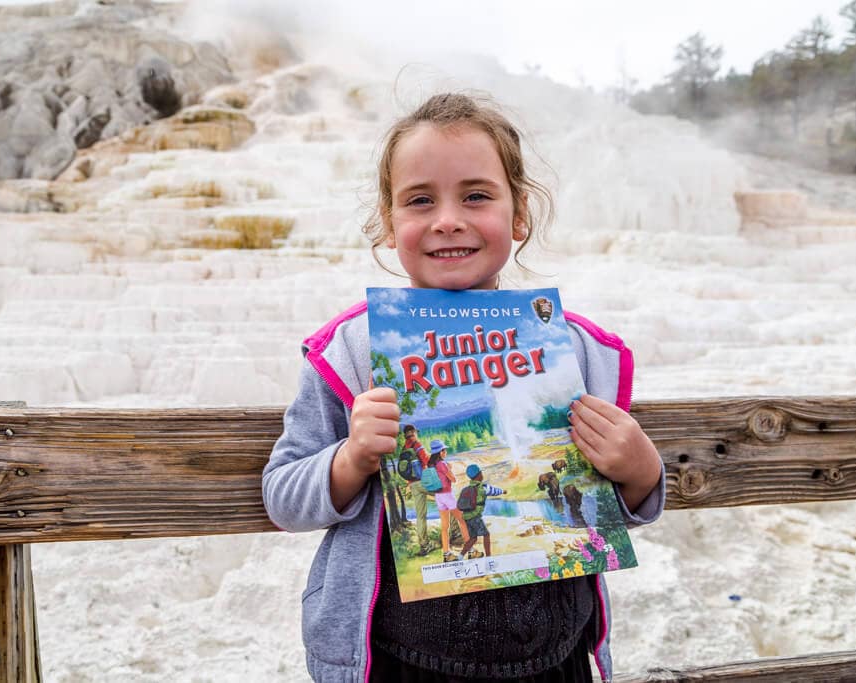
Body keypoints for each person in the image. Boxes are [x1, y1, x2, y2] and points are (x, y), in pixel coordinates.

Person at [263, 92, 665, 683]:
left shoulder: (577, 350)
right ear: (388, 220)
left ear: (519, 212)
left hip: (557, 660)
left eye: (476, 196)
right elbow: (282, 494)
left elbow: (599, 512)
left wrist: (640, 472)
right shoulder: (349, 353)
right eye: (420, 200)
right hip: (401, 662)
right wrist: (351, 458)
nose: (447, 219)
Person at [425, 439, 470, 562]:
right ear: (440, 452)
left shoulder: (431, 465)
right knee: (462, 520)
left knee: (445, 527)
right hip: (447, 495)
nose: (446, 452)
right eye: (444, 450)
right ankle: (470, 550)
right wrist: (449, 469)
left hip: (438, 497)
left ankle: (446, 554)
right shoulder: (442, 464)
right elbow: (453, 479)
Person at [458, 463, 506, 560]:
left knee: (473, 538)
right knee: (486, 535)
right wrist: (503, 491)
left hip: (467, 517)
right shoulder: (483, 487)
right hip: (475, 516)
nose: (482, 475)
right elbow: (494, 491)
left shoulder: (466, 489)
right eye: (481, 473)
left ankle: (460, 557)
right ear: (479, 475)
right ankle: (488, 558)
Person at [402, 424, 437, 555]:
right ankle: (456, 533)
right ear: (413, 433)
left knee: (420, 516)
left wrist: (408, 485)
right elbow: (427, 460)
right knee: (446, 497)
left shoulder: (404, 448)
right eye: (415, 432)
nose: (416, 434)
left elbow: (404, 469)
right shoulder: (416, 444)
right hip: (423, 481)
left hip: (413, 485)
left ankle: (424, 546)